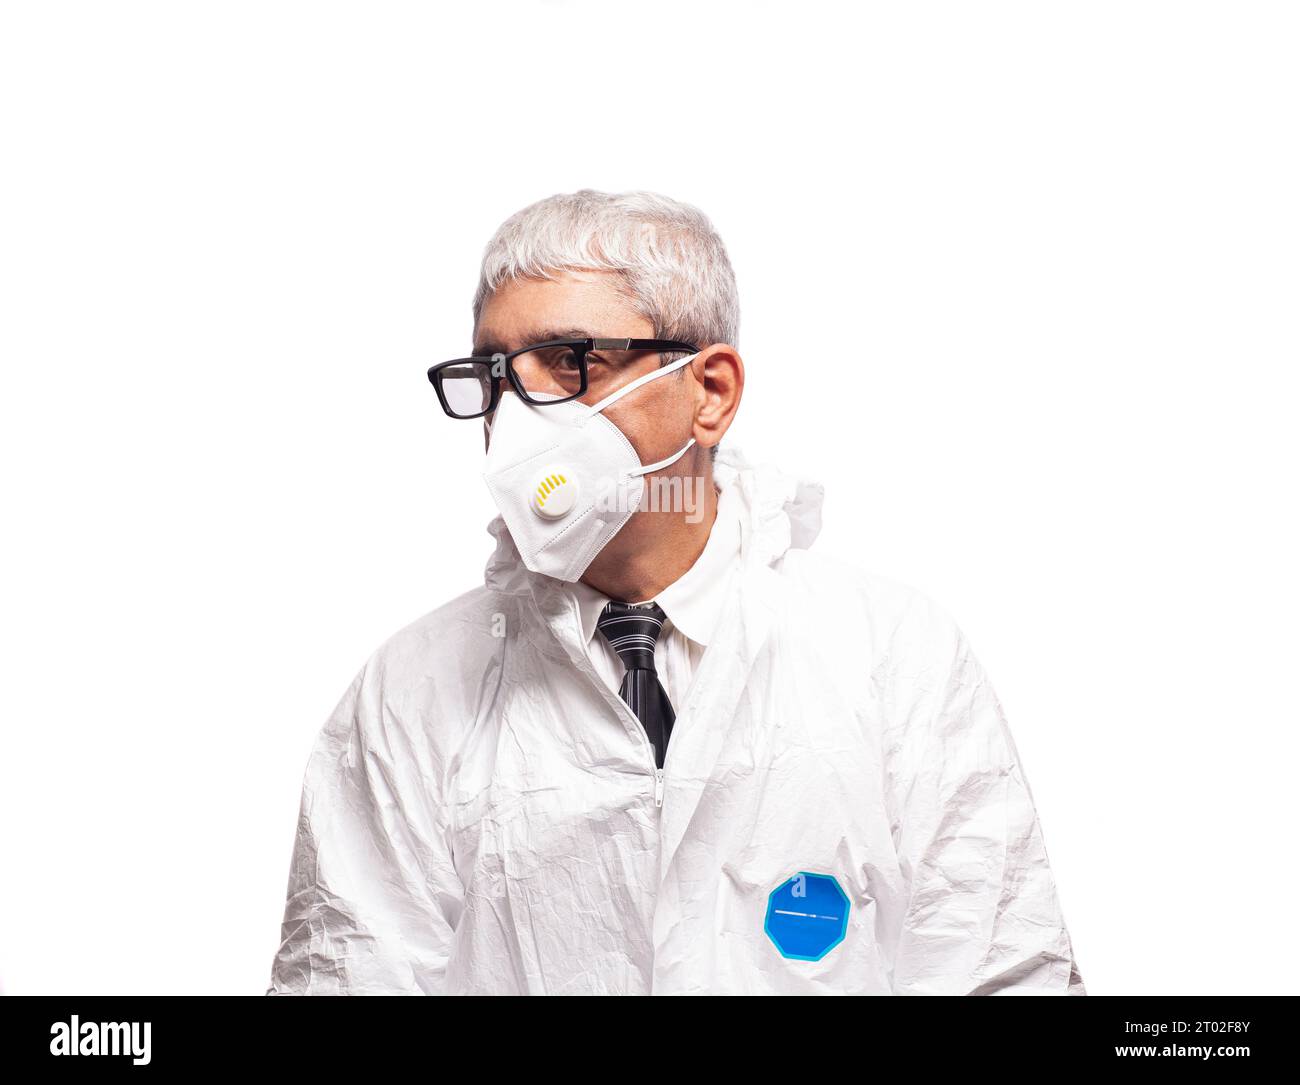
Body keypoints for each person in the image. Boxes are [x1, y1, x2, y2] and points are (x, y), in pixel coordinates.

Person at [266, 188, 1087, 995]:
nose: (515, 421)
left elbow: (1000, 972)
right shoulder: (411, 692)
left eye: (568, 362)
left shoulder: (891, 654)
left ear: (711, 391)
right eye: (494, 374)